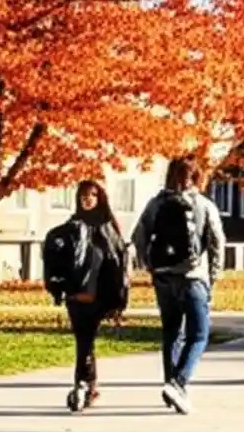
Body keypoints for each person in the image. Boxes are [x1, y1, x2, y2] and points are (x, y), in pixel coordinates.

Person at [131, 157, 226, 415]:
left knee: (171, 331)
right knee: (198, 334)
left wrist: (150, 266)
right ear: (197, 177)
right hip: (193, 277)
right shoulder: (204, 205)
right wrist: (213, 276)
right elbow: (217, 242)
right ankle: (179, 382)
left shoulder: (157, 203)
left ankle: (170, 384)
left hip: (164, 278)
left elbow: (137, 237)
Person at [44, 180, 130, 413]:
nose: (87, 200)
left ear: (99, 197)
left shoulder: (108, 228)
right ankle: (85, 385)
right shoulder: (71, 228)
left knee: (86, 341)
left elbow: (119, 264)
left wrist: (119, 299)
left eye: (92, 195)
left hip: (101, 294)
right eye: (83, 196)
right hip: (76, 293)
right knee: (84, 341)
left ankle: (84, 385)